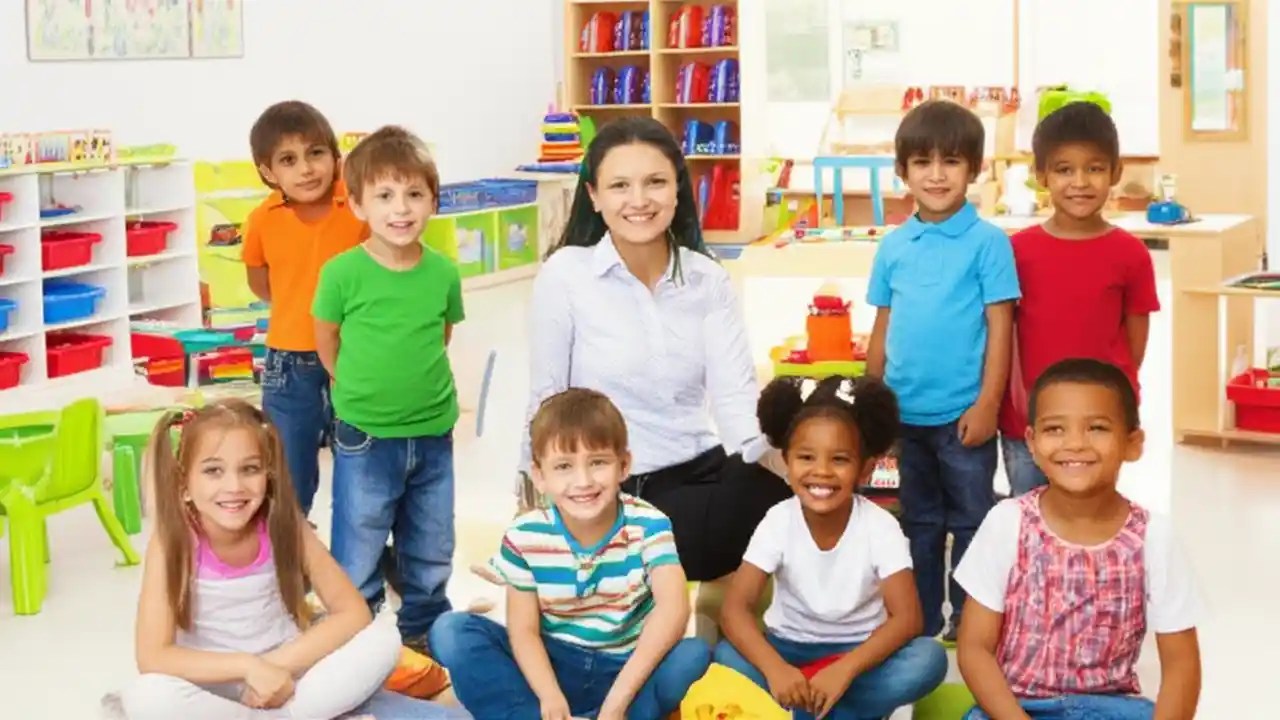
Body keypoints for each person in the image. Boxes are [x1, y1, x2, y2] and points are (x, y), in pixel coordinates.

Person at [515, 116, 791, 629]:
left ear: (677, 190)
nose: (638, 200)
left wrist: (788, 466)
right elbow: (546, 397)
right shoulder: (566, 275)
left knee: (791, 495)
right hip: (615, 484)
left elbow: (735, 402)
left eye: (655, 182)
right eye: (620, 185)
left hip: (702, 468)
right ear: (594, 196)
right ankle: (700, 621)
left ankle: (721, 623)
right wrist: (532, 502)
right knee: (657, 531)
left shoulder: (706, 277)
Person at [117, 400, 466, 720]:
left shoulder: (283, 524)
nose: (234, 486)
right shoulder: (172, 542)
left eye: (249, 469)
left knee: (384, 639)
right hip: (213, 686)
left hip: (291, 680)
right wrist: (247, 667)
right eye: (213, 471)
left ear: (267, 475)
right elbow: (154, 656)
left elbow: (352, 612)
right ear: (184, 486)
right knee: (148, 696)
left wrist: (273, 668)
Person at [431, 388, 711, 720]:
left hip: (626, 669)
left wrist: (617, 703)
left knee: (694, 654)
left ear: (624, 466)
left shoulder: (650, 525)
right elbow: (523, 630)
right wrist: (549, 697)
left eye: (598, 463)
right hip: (553, 664)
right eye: (564, 466)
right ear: (540, 476)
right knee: (450, 632)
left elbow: (673, 608)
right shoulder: (525, 536)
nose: (583, 481)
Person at [956, 359, 1202, 720]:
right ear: (1033, 443)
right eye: (1055, 429)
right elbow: (974, 648)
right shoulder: (1007, 522)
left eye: (1097, 428)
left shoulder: (1153, 536)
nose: (1075, 444)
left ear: (1132, 444)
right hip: (1017, 707)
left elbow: (1182, 664)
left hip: (1111, 709)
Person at [865, 99, 1021, 642]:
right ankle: (924, 618)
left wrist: (986, 405)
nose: (936, 174)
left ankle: (971, 618)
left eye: (951, 161)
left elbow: (1000, 329)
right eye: (922, 162)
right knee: (918, 523)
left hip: (963, 417)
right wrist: (873, 407)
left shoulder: (989, 244)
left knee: (973, 520)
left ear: (973, 170)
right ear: (902, 171)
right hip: (905, 415)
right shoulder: (892, 246)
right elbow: (883, 328)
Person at [715, 375, 948, 719]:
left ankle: (804, 709)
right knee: (725, 656)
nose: (821, 472)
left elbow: (908, 619)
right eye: (806, 457)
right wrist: (776, 669)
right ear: (787, 462)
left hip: (859, 656)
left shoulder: (881, 527)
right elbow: (734, 610)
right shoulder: (778, 520)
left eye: (839, 459)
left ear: (865, 469)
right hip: (789, 650)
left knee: (929, 659)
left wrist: (845, 670)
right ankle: (832, 707)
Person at [313, 125, 463, 651]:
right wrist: (352, 385)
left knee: (432, 538)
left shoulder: (443, 272)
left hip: (433, 430)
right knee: (359, 534)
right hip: (364, 434)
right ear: (357, 204)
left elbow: (441, 336)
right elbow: (326, 341)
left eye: (415, 194)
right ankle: (357, 627)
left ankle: (422, 625)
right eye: (384, 195)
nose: (401, 209)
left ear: (432, 202)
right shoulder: (341, 274)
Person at [997, 102, 1160, 496]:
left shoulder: (1130, 254)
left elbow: (1135, 343)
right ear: (1041, 176)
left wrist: (1114, 402)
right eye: (1064, 169)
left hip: (1100, 419)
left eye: (1095, 168)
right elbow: (1002, 333)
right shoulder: (1015, 252)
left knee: (1091, 515)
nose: (1080, 182)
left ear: (1116, 172)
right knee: (1030, 521)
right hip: (1027, 421)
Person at [242, 100, 368, 517]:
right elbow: (261, 284)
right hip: (288, 363)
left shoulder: (358, 207)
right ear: (267, 172)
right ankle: (291, 550)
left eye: (316, 153)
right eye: (288, 160)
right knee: (289, 468)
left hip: (354, 356)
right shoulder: (263, 220)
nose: (306, 169)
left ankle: (364, 549)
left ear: (336, 157)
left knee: (363, 459)